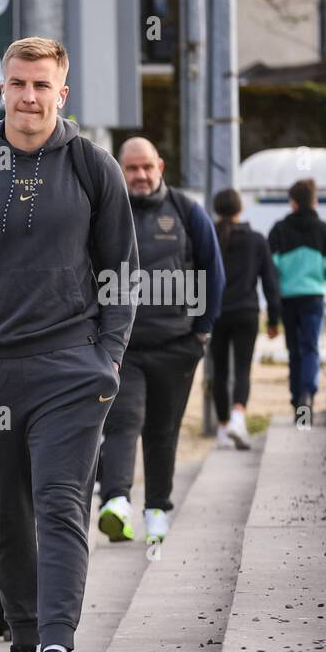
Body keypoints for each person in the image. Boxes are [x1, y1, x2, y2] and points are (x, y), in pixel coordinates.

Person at [0, 36, 139, 652]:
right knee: (7, 522)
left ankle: (55, 650)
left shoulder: (91, 166)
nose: (28, 96)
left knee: (58, 506)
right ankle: (23, 645)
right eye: (18, 83)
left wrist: (104, 360)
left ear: (61, 93)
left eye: (41, 85)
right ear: (4, 90)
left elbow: (121, 273)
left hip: (70, 373)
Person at [97, 137, 224, 545]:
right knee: (122, 422)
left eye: (146, 167)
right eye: (131, 168)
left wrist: (201, 331)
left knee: (163, 430)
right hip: (123, 348)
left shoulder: (187, 211)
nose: (140, 175)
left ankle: (156, 510)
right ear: (120, 169)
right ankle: (116, 501)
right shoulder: (106, 213)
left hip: (176, 346)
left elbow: (213, 271)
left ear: (161, 166)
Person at [268, 177, 326, 426]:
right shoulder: (324, 229)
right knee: (310, 347)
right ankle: (306, 398)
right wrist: (320, 275)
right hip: (313, 295)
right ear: (315, 201)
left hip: (288, 297)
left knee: (294, 351)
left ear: (292, 202)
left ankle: (297, 405)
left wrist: (284, 277)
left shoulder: (279, 229)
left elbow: (271, 265)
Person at [210, 188, 281, 450]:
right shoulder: (257, 240)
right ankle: (239, 417)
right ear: (240, 209)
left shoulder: (210, 237)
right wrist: (274, 319)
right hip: (247, 312)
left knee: (219, 370)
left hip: (215, 312)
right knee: (242, 367)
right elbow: (270, 283)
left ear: (216, 209)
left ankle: (222, 428)